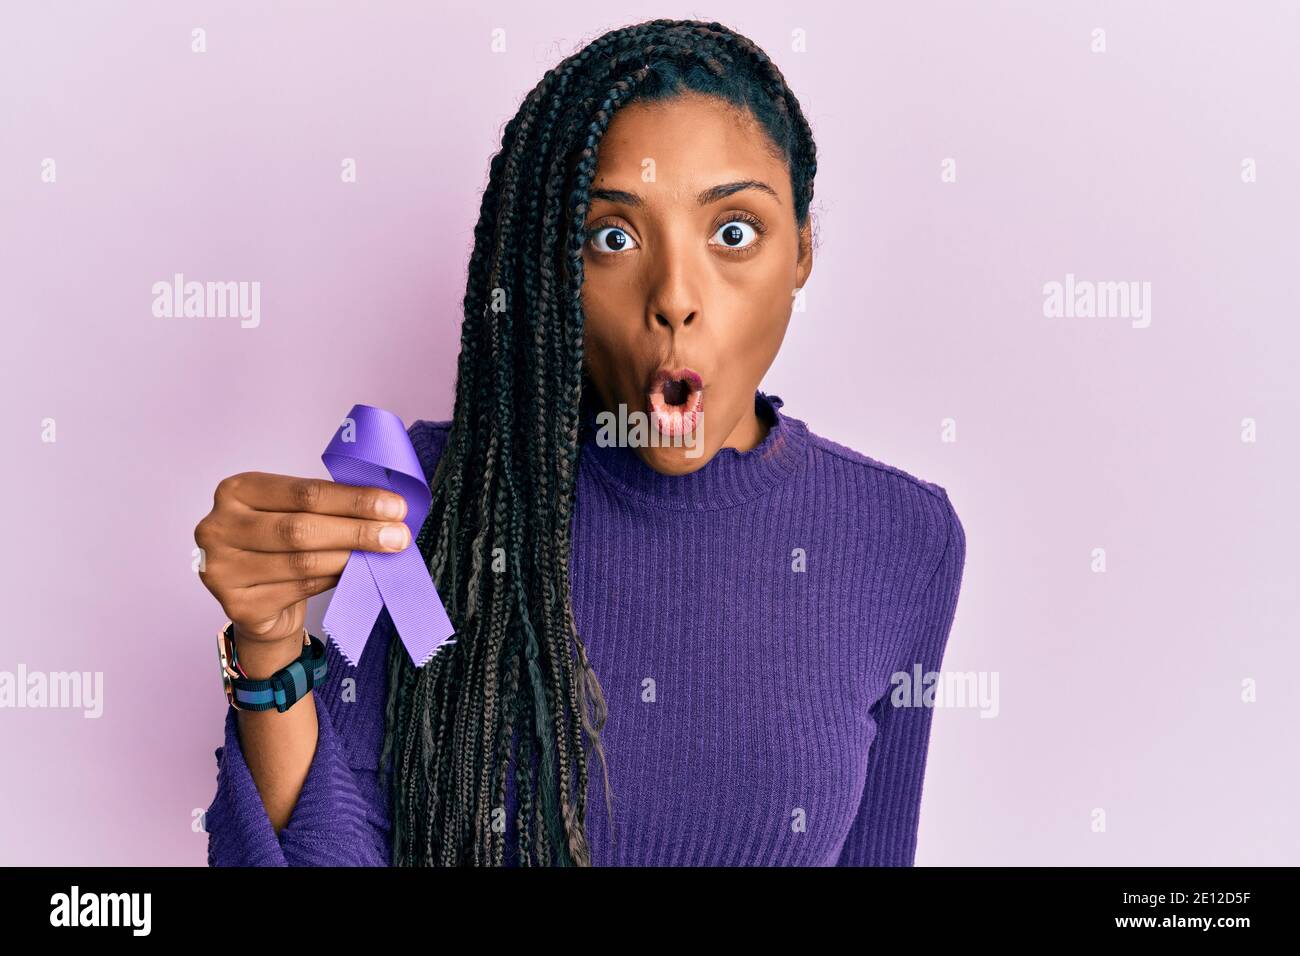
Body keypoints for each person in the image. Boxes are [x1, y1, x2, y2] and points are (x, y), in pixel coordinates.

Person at [194, 17, 966, 867]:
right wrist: (268, 645)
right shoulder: (424, 496)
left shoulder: (904, 538)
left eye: (734, 232)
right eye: (613, 237)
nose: (675, 296)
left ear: (804, 253)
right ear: (551, 270)